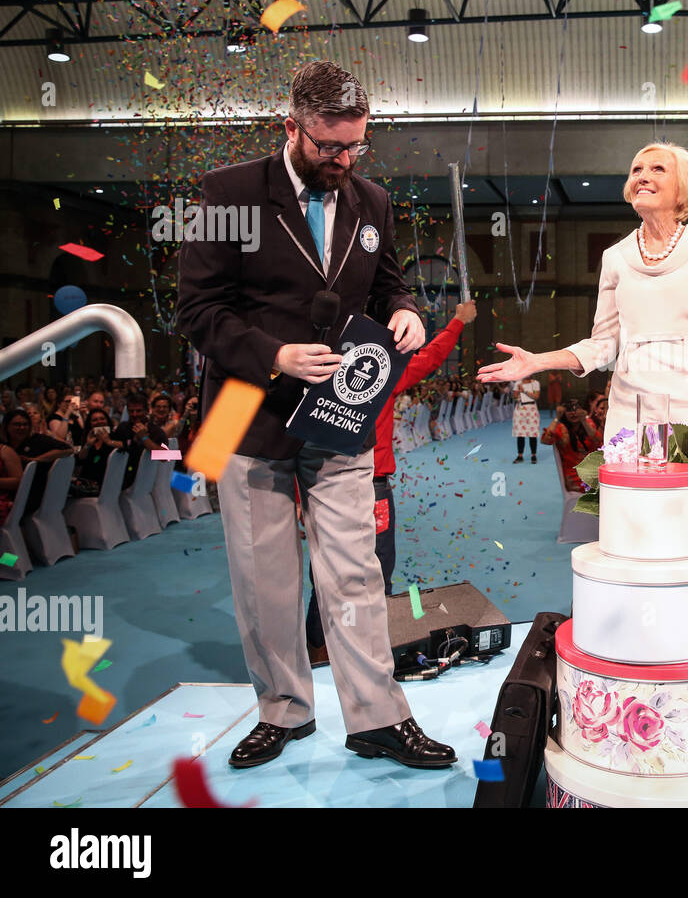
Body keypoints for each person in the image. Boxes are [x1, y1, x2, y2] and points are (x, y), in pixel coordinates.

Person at [175, 59, 454, 771]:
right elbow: (199, 312)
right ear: (291, 128)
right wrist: (274, 355)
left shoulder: (373, 201)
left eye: (356, 145)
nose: (344, 160)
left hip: (339, 413)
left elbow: (390, 280)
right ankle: (284, 710)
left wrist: (405, 311)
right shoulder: (227, 192)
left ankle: (377, 719)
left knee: (357, 571)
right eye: (330, 146)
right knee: (266, 578)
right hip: (247, 410)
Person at [477, 141, 688, 601]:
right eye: (636, 167)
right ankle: (647, 630)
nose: (642, 174)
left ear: (684, 189)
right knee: (638, 525)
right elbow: (603, 342)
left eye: (658, 168)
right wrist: (537, 360)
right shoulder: (615, 256)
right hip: (632, 405)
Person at [306, 299, 476, 663]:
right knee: (371, 568)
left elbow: (298, 440)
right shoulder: (377, 374)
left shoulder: (325, 372)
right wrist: (458, 322)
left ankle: (324, 648)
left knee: (332, 567)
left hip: (334, 486)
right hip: (363, 487)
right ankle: (359, 647)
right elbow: (429, 359)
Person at [542, 397, 604, 492]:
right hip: (573, 474)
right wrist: (557, 418)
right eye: (569, 410)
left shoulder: (588, 423)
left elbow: (598, 440)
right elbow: (545, 440)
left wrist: (584, 421)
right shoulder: (560, 428)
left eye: (576, 410)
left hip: (593, 470)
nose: (573, 413)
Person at [72, 407, 125, 496]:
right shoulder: (89, 438)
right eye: (95, 420)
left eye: (102, 419)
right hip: (87, 482)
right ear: (90, 424)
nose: (99, 422)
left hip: (106, 483)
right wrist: (88, 445)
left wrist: (109, 442)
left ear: (107, 420)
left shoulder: (115, 436)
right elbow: (80, 460)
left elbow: (127, 446)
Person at [511, 376, 541, 463]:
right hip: (521, 408)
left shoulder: (535, 383)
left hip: (532, 409)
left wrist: (524, 391)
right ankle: (520, 456)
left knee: (533, 433)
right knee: (520, 434)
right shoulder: (518, 383)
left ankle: (533, 455)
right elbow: (514, 396)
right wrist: (516, 395)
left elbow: (536, 396)